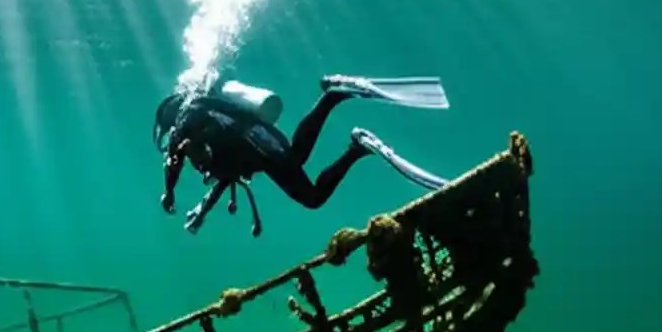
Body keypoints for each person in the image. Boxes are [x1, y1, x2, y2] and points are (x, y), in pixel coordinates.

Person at [155, 74, 450, 236]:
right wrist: (203, 211)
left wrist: (169, 192)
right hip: (259, 145)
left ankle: (333, 95)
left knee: (296, 158)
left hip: (256, 140)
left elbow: (174, 161)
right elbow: (227, 172)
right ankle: (356, 148)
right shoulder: (200, 116)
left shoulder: (185, 120)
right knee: (312, 198)